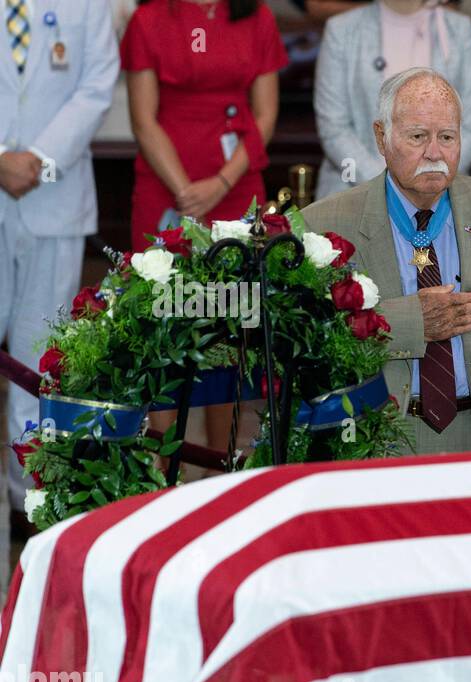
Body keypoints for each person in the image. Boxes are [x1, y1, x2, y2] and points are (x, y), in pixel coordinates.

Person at [301, 67, 471, 455]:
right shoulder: (325, 224)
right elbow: (312, 349)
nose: (434, 154)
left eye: (446, 137)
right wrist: (409, 323)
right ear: (381, 138)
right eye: (417, 137)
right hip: (378, 446)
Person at [121, 0, 289, 460]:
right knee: (164, 321)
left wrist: (220, 183)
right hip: (166, 186)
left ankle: (220, 468)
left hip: (234, 183)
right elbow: (143, 119)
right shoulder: (150, 18)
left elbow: (266, 114)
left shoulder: (256, 16)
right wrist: (185, 191)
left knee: (230, 329)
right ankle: (161, 466)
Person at [0, 0, 119, 522]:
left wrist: (40, 160)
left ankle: (30, 506)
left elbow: (96, 84)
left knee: (37, 365)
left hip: (56, 196)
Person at [314, 0, 471, 200]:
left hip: (442, 192)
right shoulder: (341, 29)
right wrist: (385, 184)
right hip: (353, 189)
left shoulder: (460, 29)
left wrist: (432, 176)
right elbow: (334, 128)